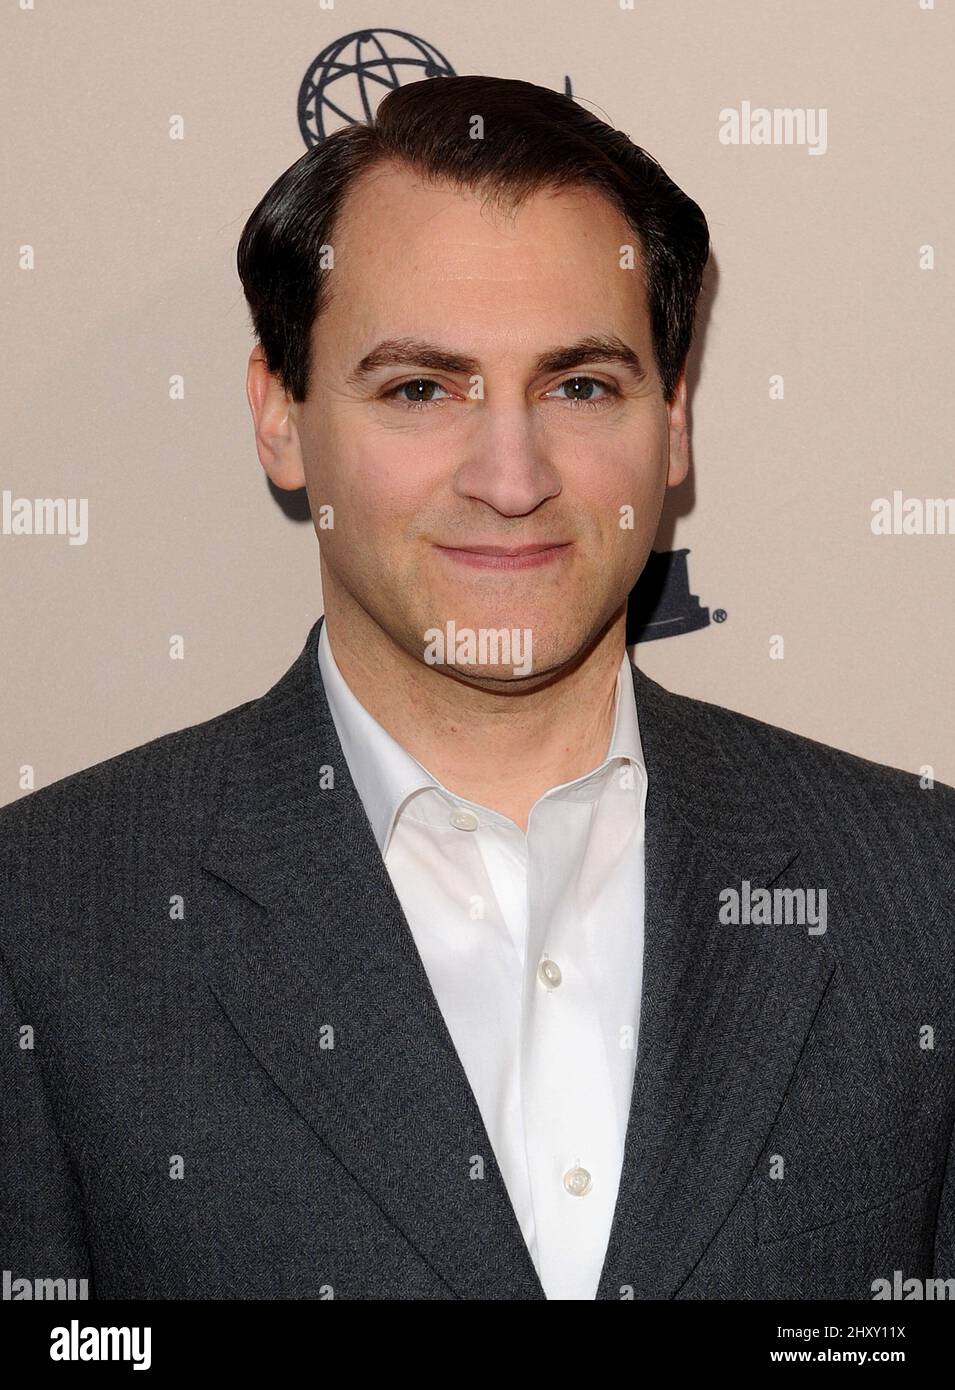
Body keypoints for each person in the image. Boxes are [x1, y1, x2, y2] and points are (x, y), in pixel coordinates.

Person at [2, 75, 953, 1302]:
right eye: (418, 389)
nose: (511, 476)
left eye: (579, 386)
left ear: (674, 423)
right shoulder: (47, 920)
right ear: (279, 419)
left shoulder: (919, 891)